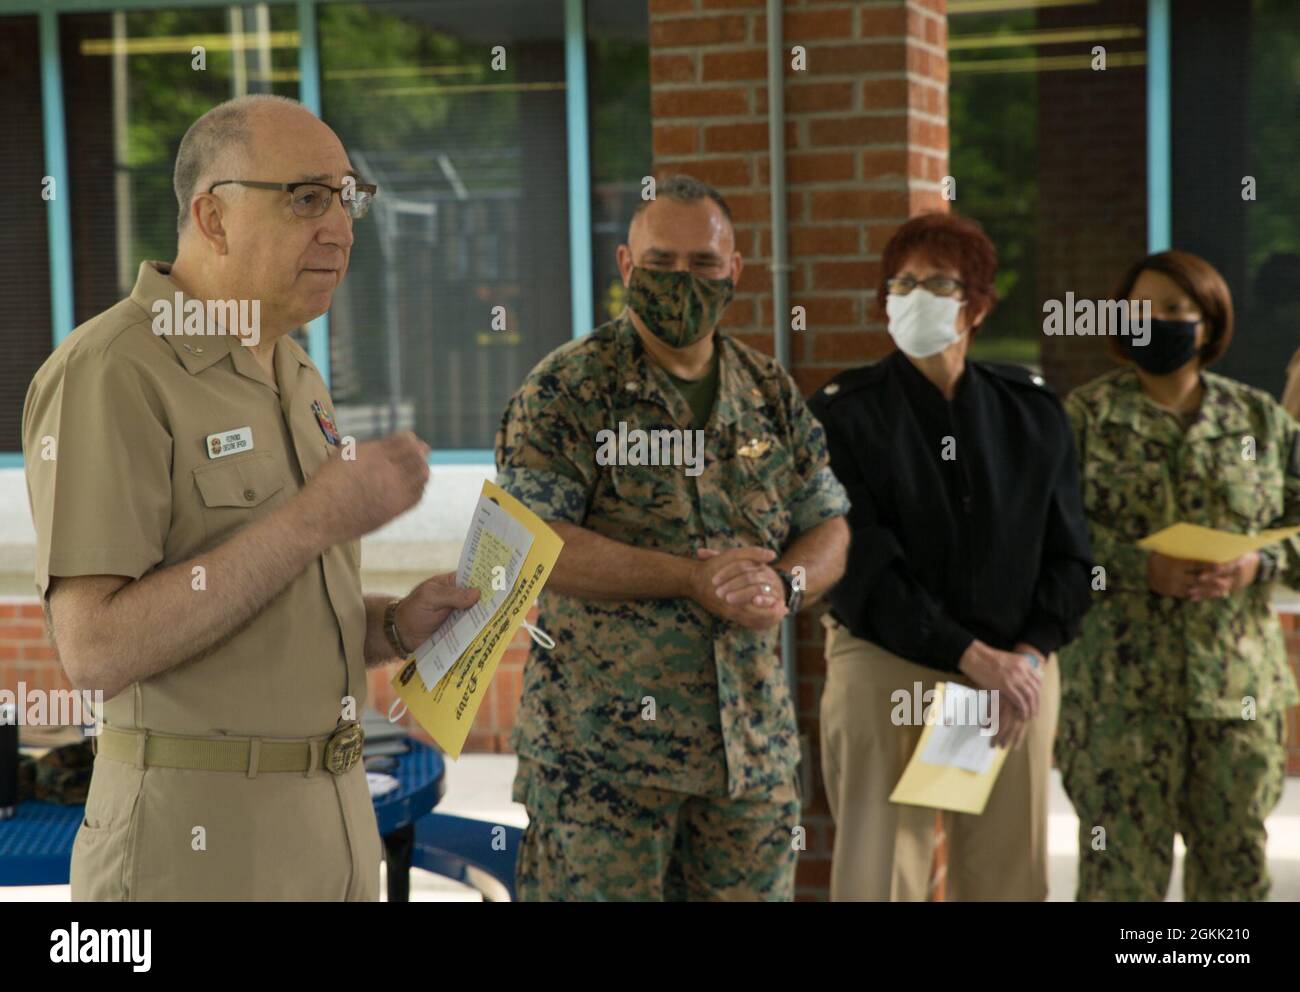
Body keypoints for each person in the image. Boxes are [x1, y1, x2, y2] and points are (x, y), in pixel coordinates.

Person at [21, 94, 478, 901]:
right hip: (194, 848)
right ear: (214, 215)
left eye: (348, 199)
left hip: (332, 825)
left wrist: (398, 624)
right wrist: (317, 519)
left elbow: (281, 602)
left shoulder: (294, 370)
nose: (339, 227)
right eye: (306, 197)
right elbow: (95, 651)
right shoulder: (112, 371)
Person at [496, 174, 851, 901]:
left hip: (747, 757)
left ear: (735, 272)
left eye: (702, 265)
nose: (680, 282)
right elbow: (531, 545)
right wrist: (689, 578)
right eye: (660, 265)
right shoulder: (568, 389)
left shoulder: (769, 392)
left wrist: (785, 584)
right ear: (626, 266)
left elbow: (830, 524)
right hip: (602, 768)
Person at [808, 212, 1093, 901]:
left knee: (1008, 876)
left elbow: (1070, 557)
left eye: (936, 283)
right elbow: (861, 565)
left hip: (1015, 674)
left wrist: (1027, 654)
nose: (912, 297)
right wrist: (967, 653)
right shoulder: (842, 416)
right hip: (888, 662)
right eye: (900, 284)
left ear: (978, 305)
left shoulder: (1031, 413)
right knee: (880, 873)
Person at [1057, 249, 1299, 901]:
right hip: (1116, 703)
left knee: (1235, 876)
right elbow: (1053, 542)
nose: (1153, 322)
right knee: (1118, 883)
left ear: (1208, 322)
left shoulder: (1259, 422)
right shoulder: (1080, 419)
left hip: (1236, 700)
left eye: (1172, 310)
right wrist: (1141, 567)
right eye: (1139, 309)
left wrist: (1259, 564)